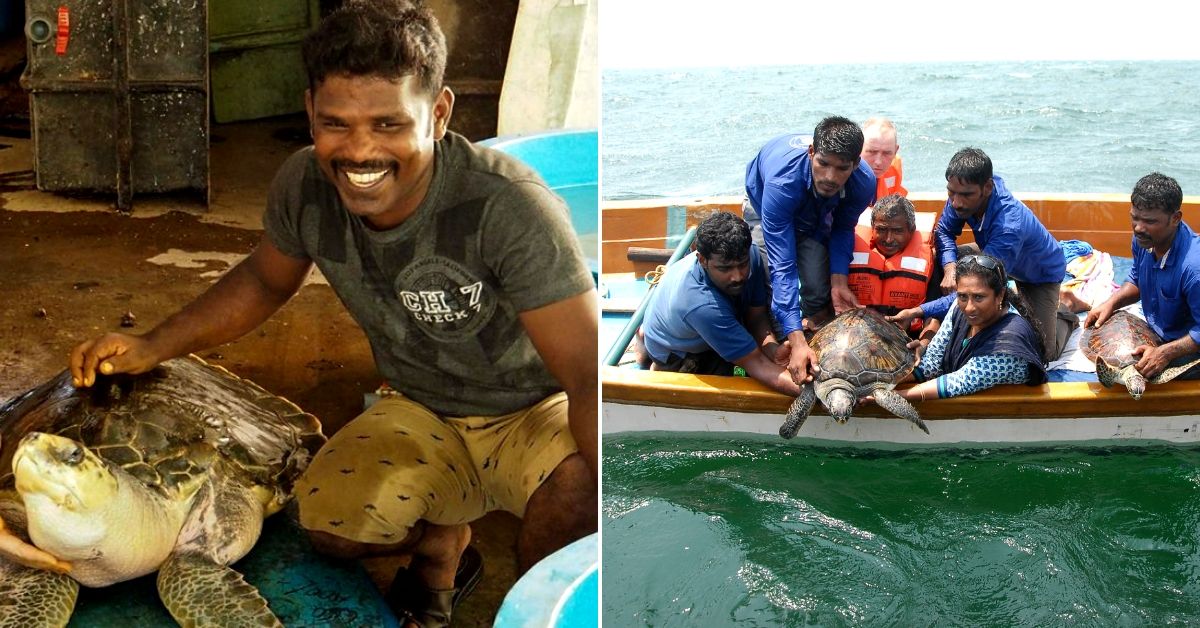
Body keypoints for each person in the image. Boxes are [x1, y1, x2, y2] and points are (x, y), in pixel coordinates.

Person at [66, 2, 597, 625]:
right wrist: (153, 345)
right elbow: (263, 281)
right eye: (335, 124)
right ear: (310, 111)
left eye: (389, 124)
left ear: (439, 113)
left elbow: (588, 377)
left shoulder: (510, 207)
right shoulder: (305, 185)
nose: (360, 151)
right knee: (327, 524)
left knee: (577, 496)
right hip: (422, 404)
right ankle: (441, 549)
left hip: (533, 408)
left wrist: (612, 500)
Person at [742, 116, 876, 384]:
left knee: (817, 285)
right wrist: (795, 338)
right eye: (823, 163)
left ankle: (810, 335)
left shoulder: (864, 182)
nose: (830, 176)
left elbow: (843, 228)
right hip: (768, 199)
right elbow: (783, 267)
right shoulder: (782, 183)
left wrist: (839, 282)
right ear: (811, 152)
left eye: (842, 168)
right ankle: (779, 345)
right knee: (766, 273)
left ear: (856, 164)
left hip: (817, 208)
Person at [933, 147, 1076, 363]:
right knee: (937, 258)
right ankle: (938, 321)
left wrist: (921, 311)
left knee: (1043, 352)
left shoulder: (1009, 224)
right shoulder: (961, 192)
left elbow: (982, 282)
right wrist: (950, 267)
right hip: (994, 252)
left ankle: (1065, 311)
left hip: (1039, 273)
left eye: (966, 195)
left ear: (987, 187)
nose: (956, 203)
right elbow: (944, 231)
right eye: (951, 192)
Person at [635, 211, 802, 396]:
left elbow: (756, 317)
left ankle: (647, 337)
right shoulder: (702, 305)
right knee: (727, 386)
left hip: (699, 318)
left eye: (742, 265)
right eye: (725, 268)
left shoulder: (750, 254)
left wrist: (772, 350)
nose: (737, 276)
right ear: (702, 260)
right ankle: (654, 356)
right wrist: (819, 394)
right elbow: (758, 364)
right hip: (678, 348)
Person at [1085, 172, 1200, 380]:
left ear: (1175, 218)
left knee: (1134, 378)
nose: (1138, 227)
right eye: (1134, 217)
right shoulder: (1144, 240)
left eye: (1149, 221)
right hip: (1157, 335)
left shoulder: (1194, 268)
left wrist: (1165, 353)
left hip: (1189, 349)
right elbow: (1137, 279)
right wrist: (1111, 303)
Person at [887, 254, 1047, 401]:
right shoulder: (958, 307)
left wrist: (888, 397)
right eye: (963, 296)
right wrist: (885, 379)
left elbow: (958, 382)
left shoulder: (1009, 343)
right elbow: (931, 364)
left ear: (1000, 295)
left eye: (979, 297)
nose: (969, 307)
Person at [848, 193, 941, 337]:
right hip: (855, 333)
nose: (889, 239)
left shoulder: (931, 260)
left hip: (906, 337)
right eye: (881, 230)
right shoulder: (848, 250)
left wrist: (924, 342)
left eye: (897, 231)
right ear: (872, 227)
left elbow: (934, 317)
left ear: (911, 230)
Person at [861, 117, 907, 201]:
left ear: (895, 151)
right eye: (872, 152)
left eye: (886, 153)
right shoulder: (845, 173)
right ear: (859, 148)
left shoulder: (894, 170)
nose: (878, 162)